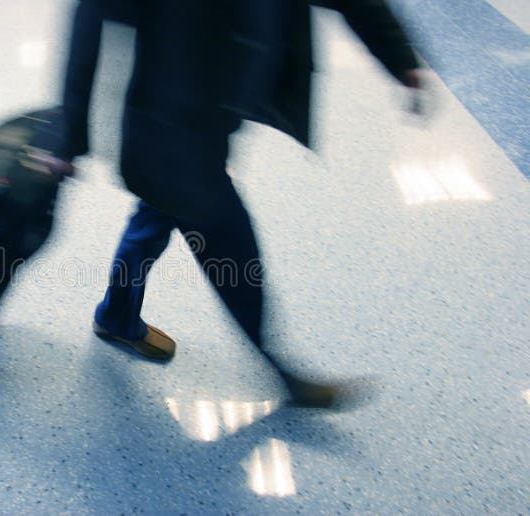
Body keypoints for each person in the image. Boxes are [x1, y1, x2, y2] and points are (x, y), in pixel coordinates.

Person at [56, 0, 424, 408]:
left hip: (212, 115)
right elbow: (89, 25)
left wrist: (400, 58)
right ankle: (283, 371)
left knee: (158, 213)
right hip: (169, 129)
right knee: (232, 247)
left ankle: (116, 315)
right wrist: (67, 137)